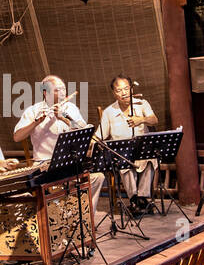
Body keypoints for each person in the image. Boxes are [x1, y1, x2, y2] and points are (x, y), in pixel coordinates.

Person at [13, 74, 103, 212]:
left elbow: (85, 131)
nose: (63, 92)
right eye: (58, 90)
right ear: (45, 92)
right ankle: (66, 217)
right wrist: (35, 123)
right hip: (44, 164)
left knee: (97, 178)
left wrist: (64, 118)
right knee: (60, 185)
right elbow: (17, 137)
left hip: (69, 163)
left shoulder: (71, 108)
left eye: (64, 88)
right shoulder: (33, 111)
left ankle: (84, 217)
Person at [96, 75, 159, 215]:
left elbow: (154, 120)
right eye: (119, 90)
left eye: (126, 89)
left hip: (141, 149)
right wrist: (93, 142)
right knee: (123, 162)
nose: (123, 93)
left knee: (150, 158)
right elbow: (100, 135)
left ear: (131, 89)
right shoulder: (109, 112)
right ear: (114, 93)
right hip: (122, 152)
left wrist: (141, 119)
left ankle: (142, 198)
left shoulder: (142, 104)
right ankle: (135, 199)